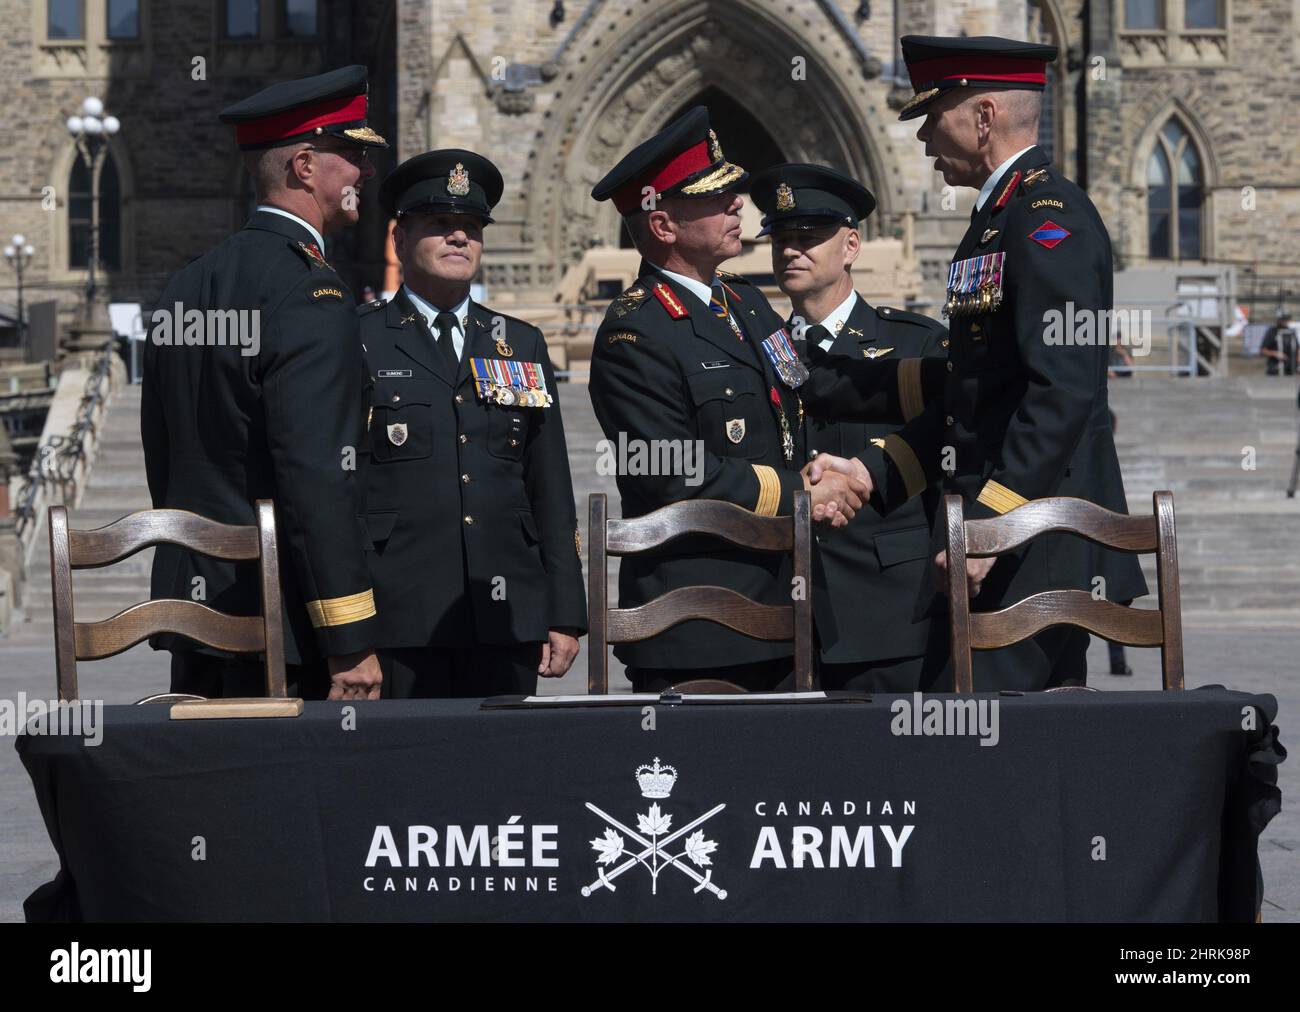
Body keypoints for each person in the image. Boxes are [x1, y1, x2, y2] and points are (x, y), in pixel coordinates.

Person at [804, 36, 1148, 690]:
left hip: (1033, 544)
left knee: (997, 736)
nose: (924, 138)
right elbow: (972, 400)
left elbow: (1062, 392)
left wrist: (993, 525)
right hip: (1000, 539)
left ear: (983, 118)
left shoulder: (1046, 219)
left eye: (935, 117)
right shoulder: (998, 218)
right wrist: (872, 471)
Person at [587, 107, 870, 692]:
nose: (737, 204)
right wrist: (800, 492)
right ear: (663, 226)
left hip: (790, 602)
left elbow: (802, 399)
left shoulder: (745, 303)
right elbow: (671, 470)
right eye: (715, 198)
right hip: (700, 623)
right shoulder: (633, 335)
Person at [141, 66, 387, 700]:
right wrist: (348, 633)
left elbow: (164, 450)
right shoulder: (309, 290)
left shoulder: (187, 283)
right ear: (305, 166)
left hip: (197, 605)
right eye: (352, 154)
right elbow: (316, 472)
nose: (364, 171)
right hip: (284, 620)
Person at [358, 150, 586, 697]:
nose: (460, 237)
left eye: (472, 228)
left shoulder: (519, 343)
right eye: (440, 224)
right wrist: (346, 626)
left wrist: (564, 610)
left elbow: (549, 485)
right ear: (400, 239)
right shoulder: (359, 339)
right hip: (400, 616)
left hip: (506, 615)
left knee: (503, 752)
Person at [749, 162, 949, 691]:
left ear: (851, 246)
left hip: (891, 613)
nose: (791, 251)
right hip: (784, 616)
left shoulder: (914, 344)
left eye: (809, 237)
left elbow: (948, 461)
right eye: (781, 239)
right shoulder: (759, 354)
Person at [1260, 311, 1297, 376]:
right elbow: (1263, 350)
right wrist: (1276, 354)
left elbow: (1297, 348)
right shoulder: (1272, 332)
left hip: (1290, 369)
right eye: (1284, 319)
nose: (1285, 321)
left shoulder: (1291, 332)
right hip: (1275, 369)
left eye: (1287, 319)